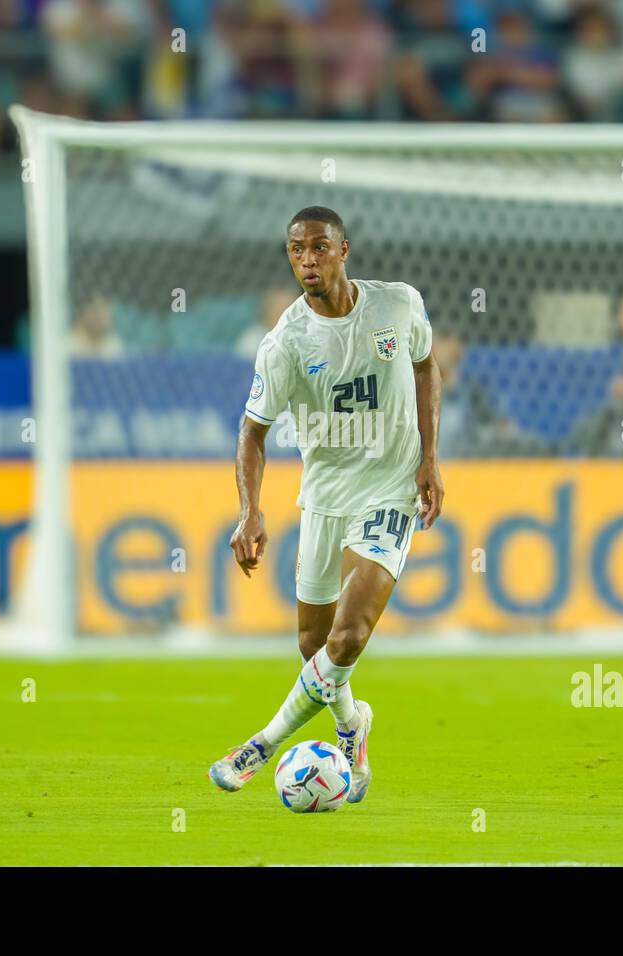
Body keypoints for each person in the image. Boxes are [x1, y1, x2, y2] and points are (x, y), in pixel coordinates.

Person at [209, 206, 444, 804]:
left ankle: (259, 746)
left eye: (318, 248)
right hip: (325, 496)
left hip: (390, 488)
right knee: (314, 648)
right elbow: (252, 431)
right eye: (295, 250)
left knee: (348, 638)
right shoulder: (285, 343)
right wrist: (250, 511)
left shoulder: (397, 306)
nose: (306, 260)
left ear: (344, 250)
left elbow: (425, 368)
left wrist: (429, 458)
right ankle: (350, 726)